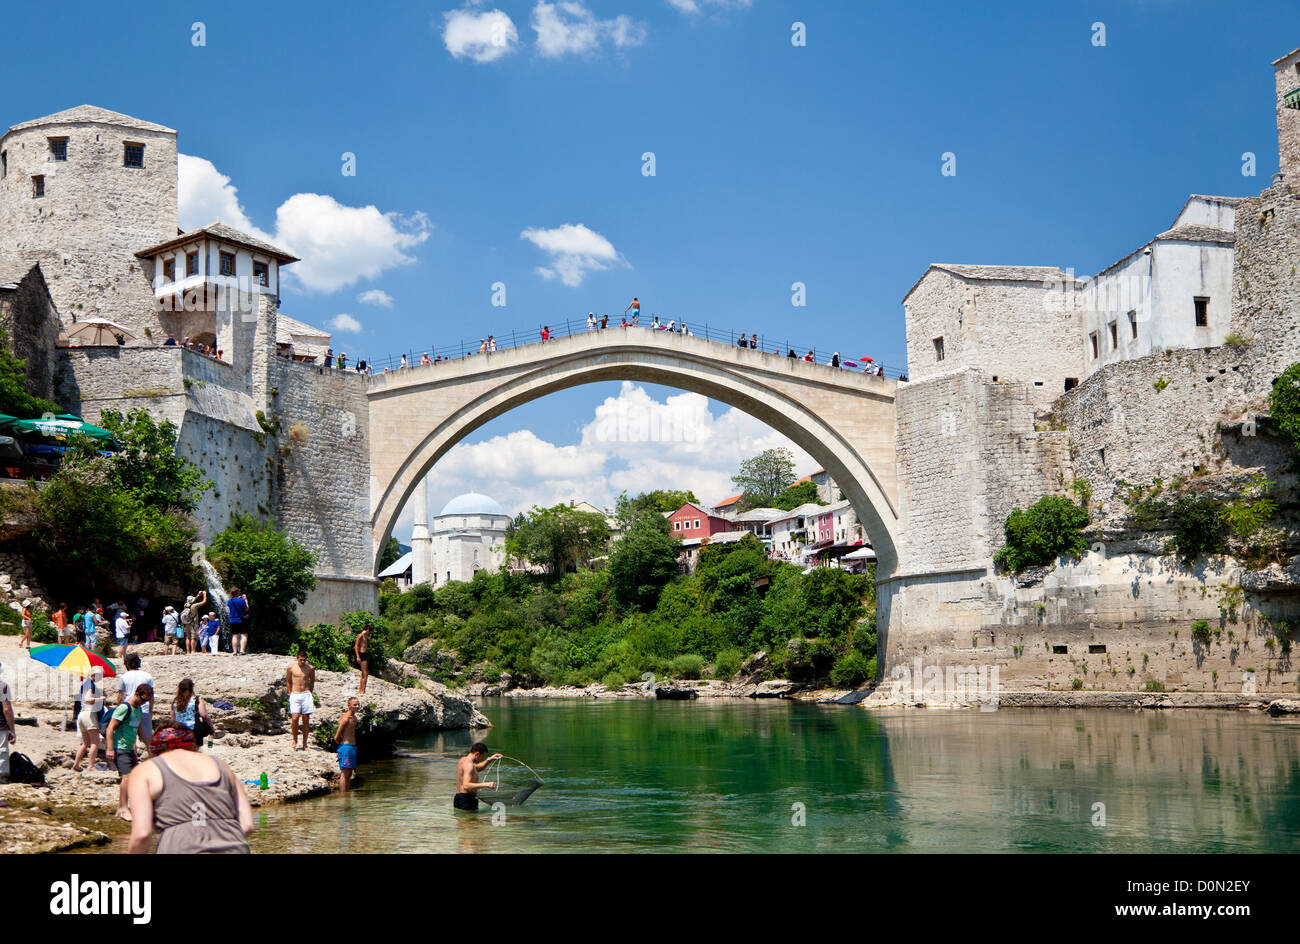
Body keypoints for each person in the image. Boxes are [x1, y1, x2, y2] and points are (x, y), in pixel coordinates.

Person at [125, 720, 254, 854]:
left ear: (153, 749)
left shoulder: (144, 770)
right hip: (234, 847)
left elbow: (142, 835)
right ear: (193, 745)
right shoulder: (221, 765)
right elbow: (247, 825)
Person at [107, 682, 152, 819]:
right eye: (143, 699)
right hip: (119, 747)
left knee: (132, 778)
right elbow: (110, 728)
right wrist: (109, 749)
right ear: (137, 694)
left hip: (130, 749)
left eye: (147, 701)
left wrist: (149, 746)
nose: (144, 703)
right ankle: (122, 808)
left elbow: (140, 730)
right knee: (126, 777)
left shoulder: (138, 710)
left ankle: (123, 809)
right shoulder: (124, 708)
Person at [117, 653, 155, 748]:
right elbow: (151, 696)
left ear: (127, 664)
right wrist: (150, 711)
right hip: (144, 709)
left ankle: (134, 758)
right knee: (147, 738)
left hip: (129, 710)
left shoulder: (123, 677)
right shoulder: (147, 676)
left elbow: (120, 697)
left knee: (130, 736)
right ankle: (151, 757)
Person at [454, 742, 503, 811]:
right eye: (482, 757)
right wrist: (486, 784)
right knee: (469, 821)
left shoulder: (464, 760)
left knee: (469, 821)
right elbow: (466, 785)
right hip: (466, 800)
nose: (482, 759)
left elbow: (477, 768)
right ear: (477, 754)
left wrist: (490, 759)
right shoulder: (469, 764)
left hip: (460, 798)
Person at [72, 670, 104, 772]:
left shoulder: (84, 685)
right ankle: (91, 765)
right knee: (95, 742)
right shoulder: (91, 685)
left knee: (85, 743)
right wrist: (100, 699)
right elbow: (87, 699)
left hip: (81, 714)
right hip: (89, 714)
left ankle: (76, 764)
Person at [287, 649, 315, 751]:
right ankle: (294, 740)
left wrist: (310, 693)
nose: (302, 662)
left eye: (304, 660)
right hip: (295, 694)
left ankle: (305, 743)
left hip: (306, 694)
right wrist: (290, 692)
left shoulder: (310, 668)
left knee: (306, 719)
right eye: (301, 660)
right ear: (297, 658)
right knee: (294, 718)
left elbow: (312, 681)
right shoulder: (291, 668)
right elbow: (288, 681)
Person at [335, 696, 360, 793]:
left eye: (358, 704)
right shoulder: (345, 719)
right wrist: (342, 747)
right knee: (345, 774)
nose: (357, 706)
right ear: (349, 706)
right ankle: (343, 796)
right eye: (355, 705)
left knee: (349, 773)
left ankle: (347, 794)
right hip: (346, 747)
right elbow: (337, 737)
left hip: (352, 747)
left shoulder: (354, 717)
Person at [180, 590, 206, 655]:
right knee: (193, 637)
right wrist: (204, 594)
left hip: (186, 623)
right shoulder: (194, 606)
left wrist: (198, 595)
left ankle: (188, 651)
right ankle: (193, 651)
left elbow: (192, 600)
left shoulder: (185, 605)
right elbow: (204, 601)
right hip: (193, 623)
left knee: (187, 637)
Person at [0, 663, 14, 784]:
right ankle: (1, 777)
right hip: (1, 724)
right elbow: (7, 710)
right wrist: (12, 730)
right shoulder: (3, 686)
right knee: (2, 750)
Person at [227, 588, 250, 655]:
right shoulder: (242, 600)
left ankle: (234, 651)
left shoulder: (229, 601)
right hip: (241, 619)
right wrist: (245, 600)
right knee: (244, 635)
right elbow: (246, 609)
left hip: (232, 619)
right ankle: (242, 650)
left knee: (234, 636)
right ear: (238, 593)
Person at [353, 624, 371, 694]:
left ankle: (361, 690)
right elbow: (356, 646)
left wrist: (369, 639)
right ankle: (362, 690)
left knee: (364, 673)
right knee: (365, 673)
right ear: (367, 630)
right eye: (369, 631)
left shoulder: (365, 637)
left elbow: (366, 645)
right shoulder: (360, 635)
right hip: (361, 654)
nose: (369, 633)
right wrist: (358, 656)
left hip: (364, 654)